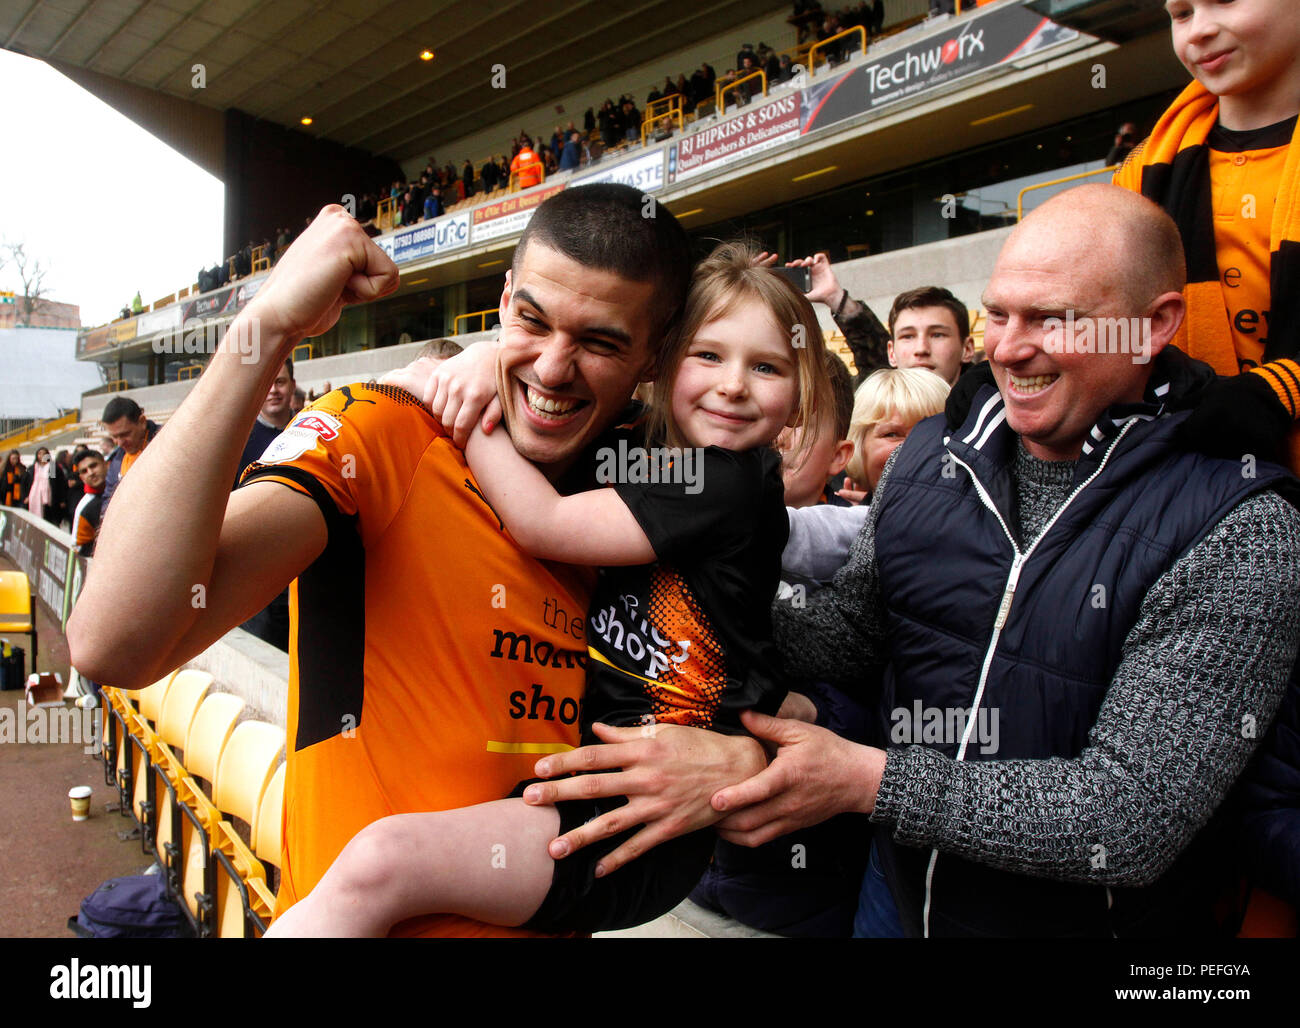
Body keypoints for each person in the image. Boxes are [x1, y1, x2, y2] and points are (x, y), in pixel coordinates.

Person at [68, 185, 768, 938]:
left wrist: (741, 761)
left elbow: (768, 657)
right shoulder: (387, 433)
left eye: (600, 343)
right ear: (503, 301)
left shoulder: (661, 477)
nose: (554, 369)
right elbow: (113, 643)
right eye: (530, 320)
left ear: (655, 356)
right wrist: (265, 325)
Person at [710, 184, 1300, 938]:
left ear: (1155, 327)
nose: (1008, 349)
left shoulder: (1242, 524)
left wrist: (869, 782)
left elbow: (1127, 818)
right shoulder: (929, 454)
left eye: (1053, 319)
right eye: (999, 314)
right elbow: (850, 635)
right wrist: (694, 591)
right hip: (894, 898)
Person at [264, 241, 835, 937]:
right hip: (616, 797)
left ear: (801, 392)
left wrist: (458, 404)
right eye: (708, 356)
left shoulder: (725, 477)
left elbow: (545, 523)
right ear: (663, 361)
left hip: (638, 821)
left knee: (381, 865)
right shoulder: (650, 452)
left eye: (767, 367)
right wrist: (479, 361)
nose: (734, 384)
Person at [1113, 0, 1300, 473]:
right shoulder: (1140, 173)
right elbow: (1101, 315)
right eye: (1180, 14)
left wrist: (1283, 388)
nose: (1198, 31)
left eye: (1223, 0)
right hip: (1199, 491)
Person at [776, 252, 975, 386]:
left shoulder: (999, 411)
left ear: (967, 349)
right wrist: (835, 298)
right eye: (907, 336)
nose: (921, 349)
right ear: (891, 353)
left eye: (938, 335)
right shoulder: (871, 414)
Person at [840, 367, 953, 503]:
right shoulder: (835, 521)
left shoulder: (981, 519)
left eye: (931, 433)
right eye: (892, 434)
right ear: (859, 445)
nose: (913, 449)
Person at [99, 397, 160, 517]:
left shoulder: (169, 443)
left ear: (142, 422)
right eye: (114, 437)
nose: (120, 443)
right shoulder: (116, 461)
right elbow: (108, 500)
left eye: (125, 434)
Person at [71, 449, 107, 558]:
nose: (91, 473)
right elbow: (79, 547)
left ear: (105, 464)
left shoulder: (124, 486)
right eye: (84, 471)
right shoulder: (85, 508)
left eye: (93, 466)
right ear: (81, 478)